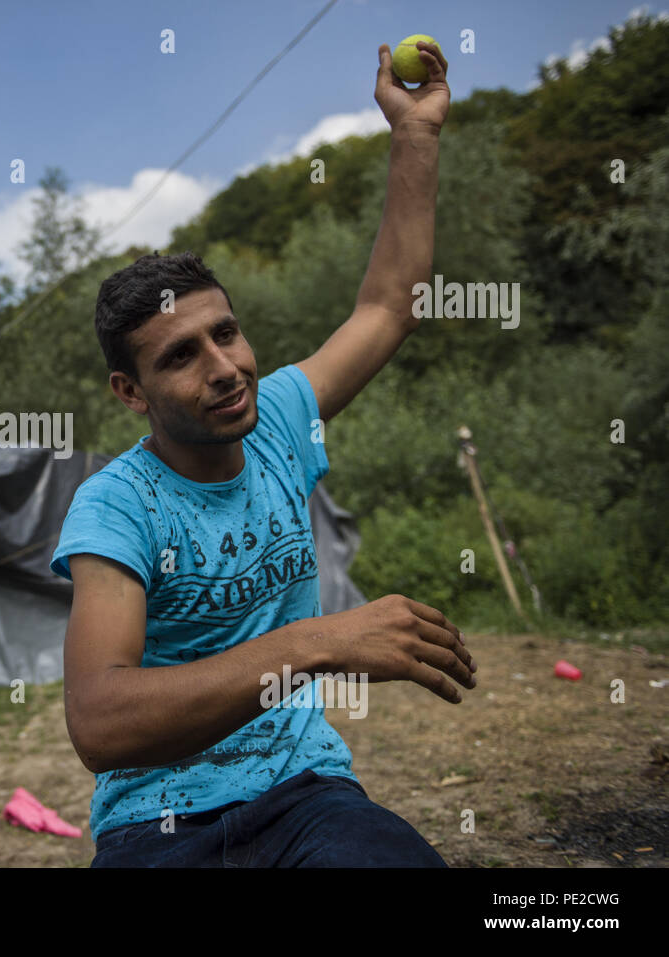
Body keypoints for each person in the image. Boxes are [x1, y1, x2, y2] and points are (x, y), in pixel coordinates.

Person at [51, 42, 476, 867]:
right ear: (129, 392)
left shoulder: (280, 419)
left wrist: (415, 133)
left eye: (226, 333)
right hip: (156, 820)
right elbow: (98, 723)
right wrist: (316, 643)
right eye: (179, 356)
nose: (224, 370)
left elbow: (390, 304)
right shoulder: (117, 505)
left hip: (306, 794)